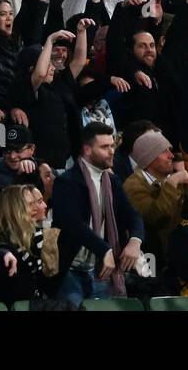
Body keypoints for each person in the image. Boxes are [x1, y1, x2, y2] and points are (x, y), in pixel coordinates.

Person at [51, 122, 146, 306]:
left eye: (112, 146)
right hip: (70, 272)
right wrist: (105, 249)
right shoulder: (66, 182)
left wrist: (136, 240)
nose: (111, 151)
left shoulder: (112, 181)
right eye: (104, 147)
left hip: (102, 272)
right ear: (87, 149)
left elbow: (133, 215)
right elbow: (73, 224)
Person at [122, 129, 188, 264]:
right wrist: (171, 184)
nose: (171, 155)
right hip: (151, 262)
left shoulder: (172, 176)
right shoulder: (132, 186)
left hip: (181, 256)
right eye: (164, 151)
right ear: (149, 157)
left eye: (170, 150)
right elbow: (154, 218)